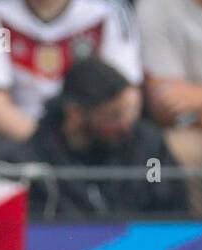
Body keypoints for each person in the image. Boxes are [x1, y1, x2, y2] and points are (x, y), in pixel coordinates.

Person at [19, 57, 188, 216]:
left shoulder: (150, 150)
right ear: (75, 113)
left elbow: (175, 214)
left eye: (128, 112)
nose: (126, 126)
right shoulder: (35, 161)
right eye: (113, 117)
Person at [0, 0, 142, 146]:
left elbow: (126, 98)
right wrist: (50, 146)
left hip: (92, 134)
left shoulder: (108, 9)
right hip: (23, 140)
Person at [137, 0, 202, 214]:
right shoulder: (156, 5)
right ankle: (191, 240)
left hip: (196, 117)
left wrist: (197, 97)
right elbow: (165, 105)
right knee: (169, 152)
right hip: (190, 131)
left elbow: (184, 100)